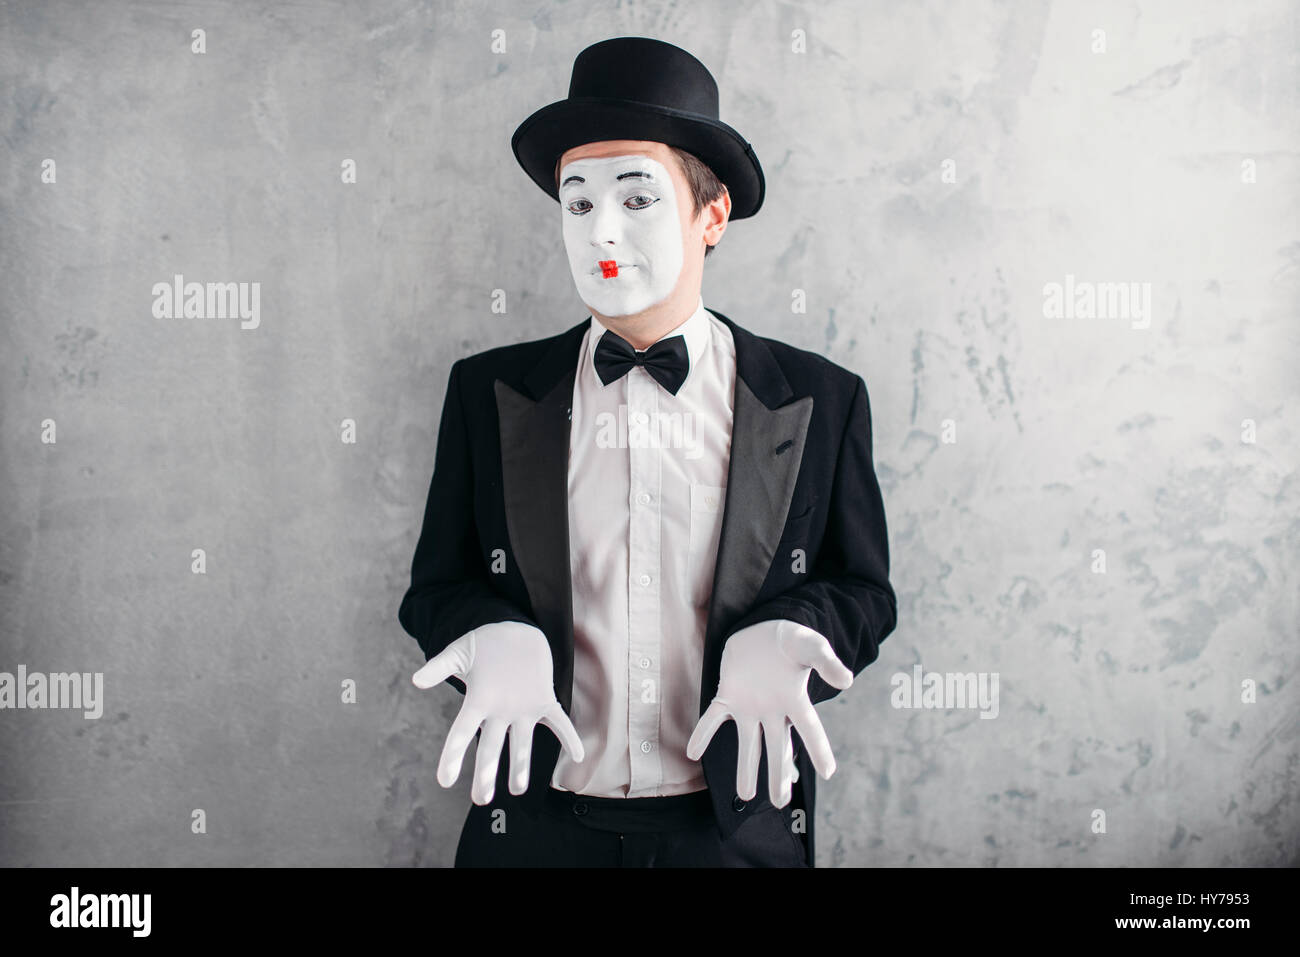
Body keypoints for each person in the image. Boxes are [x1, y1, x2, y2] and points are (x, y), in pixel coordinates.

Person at [398, 36, 896, 867]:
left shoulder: (820, 397)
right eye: (578, 202)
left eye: (636, 199)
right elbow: (435, 588)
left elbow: (864, 591)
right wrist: (491, 631)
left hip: (736, 834)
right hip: (532, 830)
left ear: (712, 215)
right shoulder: (486, 393)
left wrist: (791, 628)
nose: (602, 230)